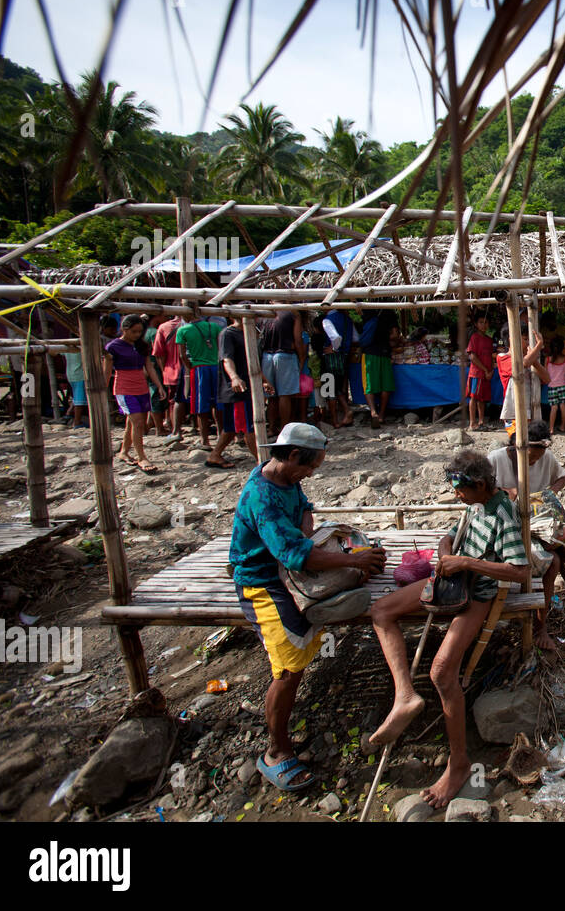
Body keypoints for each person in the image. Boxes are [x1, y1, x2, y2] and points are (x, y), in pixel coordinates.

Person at [230, 423, 387, 791]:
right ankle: (275, 751)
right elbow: (292, 555)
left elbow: (304, 511)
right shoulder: (260, 496)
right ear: (293, 455)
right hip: (262, 580)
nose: (310, 474)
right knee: (286, 669)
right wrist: (353, 562)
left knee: (303, 649)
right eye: (309, 467)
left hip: (288, 571)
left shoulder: (287, 479)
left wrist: (310, 532)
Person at [368, 449, 530, 807]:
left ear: (483, 484)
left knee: (442, 673)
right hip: (451, 581)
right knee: (381, 611)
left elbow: (520, 570)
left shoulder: (503, 513)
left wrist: (467, 562)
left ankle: (459, 765)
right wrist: (445, 554)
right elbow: (451, 534)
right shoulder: (473, 504)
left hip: (477, 595)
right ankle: (405, 695)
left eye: (462, 489)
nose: (457, 495)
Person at [488, 421, 565, 650]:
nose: (534, 461)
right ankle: (540, 628)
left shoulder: (546, 457)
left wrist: (548, 494)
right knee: (551, 563)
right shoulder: (496, 459)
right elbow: (483, 490)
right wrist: (507, 493)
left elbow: (561, 477)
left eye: (537, 458)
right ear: (517, 447)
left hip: (544, 518)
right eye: (531, 458)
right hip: (512, 526)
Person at [105, 314, 166, 474]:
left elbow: (150, 367)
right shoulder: (113, 347)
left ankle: (124, 452)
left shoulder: (142, 346)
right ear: (124, 329)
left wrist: (159, 385)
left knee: (132, 423)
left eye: (139, 332)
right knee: (139, 423)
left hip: (142, 387)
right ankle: (141, 457)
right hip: (124, 388)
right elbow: (106, 371)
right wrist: (102, 391)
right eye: (134, 331)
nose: (137, 335)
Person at [213, 318, 260, 465]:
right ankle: (262, 460)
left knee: (231, 427)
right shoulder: (228, 333)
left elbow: (252, 360)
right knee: (248, 426)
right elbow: (226, 358)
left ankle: (214, 455)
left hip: (247, 384)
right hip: (237, 388)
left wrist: (263, 380)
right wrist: (234, 377)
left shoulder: (248, 333)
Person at [176, 314, 223, 451]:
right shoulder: (214, 326)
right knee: (218, 404)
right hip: (215, 367)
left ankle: (205, 439)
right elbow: (220, 348)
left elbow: (182, 355)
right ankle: (221, 434)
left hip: (198, 368)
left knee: (201, 406)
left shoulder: (183, 330)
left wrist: (189, 366)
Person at [152, 312, 188, 443]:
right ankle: (196, 429)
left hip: (171, 370)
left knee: (174, 401)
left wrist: (164, 370)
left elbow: (159, 353)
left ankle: (175, 431)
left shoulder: (164, 328)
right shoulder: (196, 326)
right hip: (193, 369)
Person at [360, 310, 399, 427]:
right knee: (385, 386)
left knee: (369, 385)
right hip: (385, 354)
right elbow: (395, 335)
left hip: (369, 354)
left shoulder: (370, 317)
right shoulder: (391, 317)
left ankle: (373, 412)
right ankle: (381, 415)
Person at [320, 308, 356, 427]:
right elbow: (356, 338)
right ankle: (344, 414)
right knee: (340, 386)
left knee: (330, 388)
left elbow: (335, 338)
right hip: (344, 357)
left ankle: (335, 419)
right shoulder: (348, 320)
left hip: (331, 358)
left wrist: (334, 348)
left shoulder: (327, 320)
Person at [466, 312, 494, 431]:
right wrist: (486, 370)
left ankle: (481, 421)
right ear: (476, 324)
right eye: (481, 322)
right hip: (477, 373)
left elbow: (492, 356)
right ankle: (472, 423)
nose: (484, 325)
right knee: (474, 397)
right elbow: (472, 357)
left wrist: (491, 371)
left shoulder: (489, 339)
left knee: (482, 399)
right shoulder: (474, 338)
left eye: (486, 322)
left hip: (486, 374)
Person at [545, 336, 565, 434]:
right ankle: (562, 427)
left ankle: (551, 429)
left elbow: (544, 372)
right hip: (564, 385)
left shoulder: (548, 359)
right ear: (562, 348)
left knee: (554, 408)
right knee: (563, 406)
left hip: (552, 386)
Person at [62, 348, 88, 429]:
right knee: (79, 400)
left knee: (77, 396)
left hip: (70, 374)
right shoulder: (80, 347)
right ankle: (77, 422)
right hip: (80, 375)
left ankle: (68, 413)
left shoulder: (66, 348)